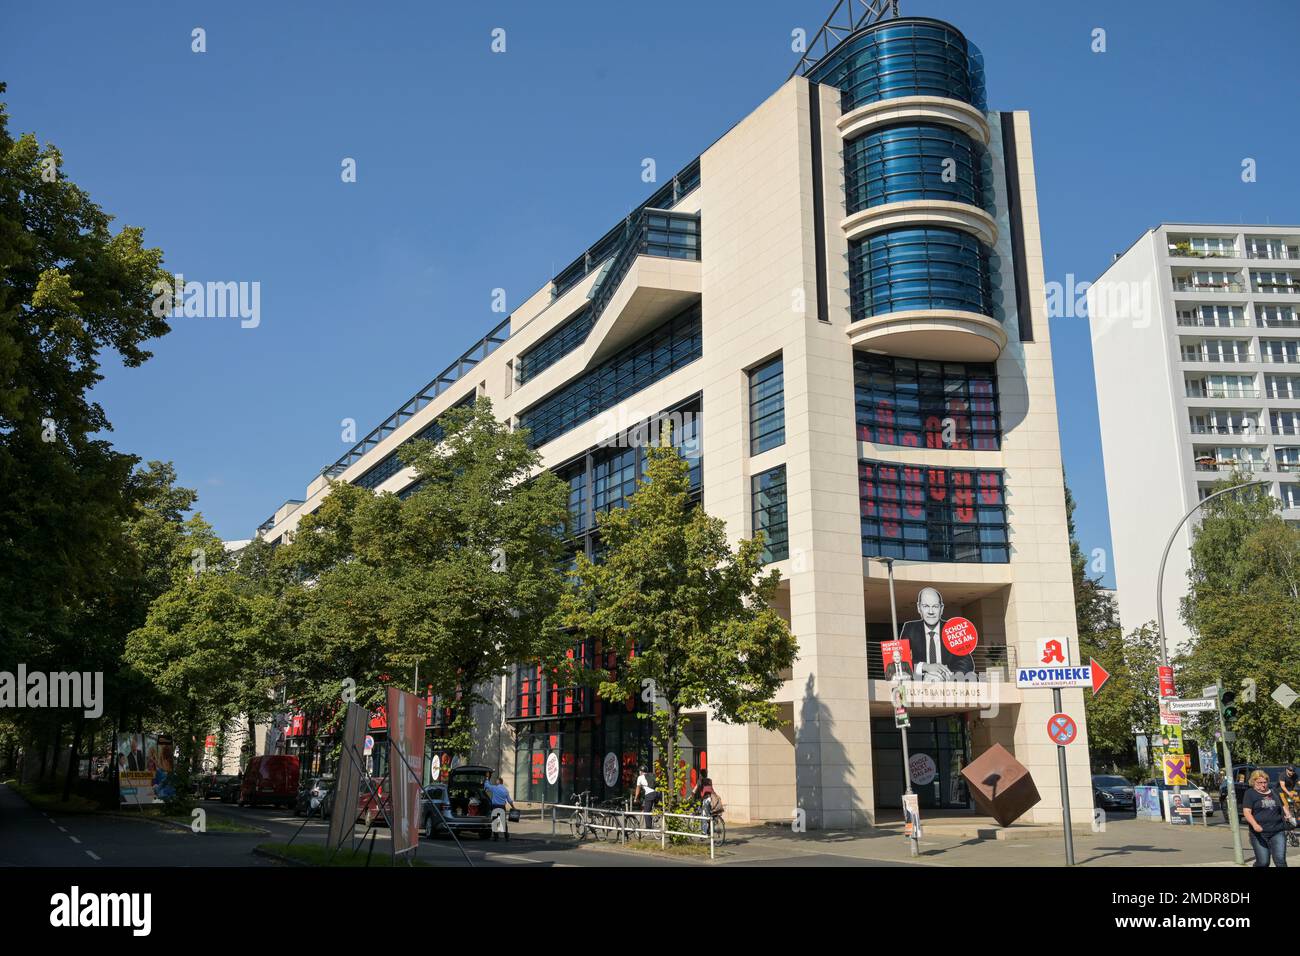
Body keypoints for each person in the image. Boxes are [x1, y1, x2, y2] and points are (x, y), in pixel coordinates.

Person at [899, 587, 973, 676]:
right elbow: (900, 661)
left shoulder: (953, 629)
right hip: (920, 684)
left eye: (935, 606)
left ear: (941, 608)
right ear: (919, 608)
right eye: (926, 606)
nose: (931, 611)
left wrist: (947, 676)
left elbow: (966, 664)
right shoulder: (910, 629)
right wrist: (925, 667)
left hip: (947, 685)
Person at [1243, 769, 1295, 867]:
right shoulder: (1250, 793)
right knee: (1263, 862)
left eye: (1265, 782)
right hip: (1259, 834)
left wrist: (1288, 814)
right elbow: (1247, 812)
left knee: (1280, 861)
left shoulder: (1274, 792)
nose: (1263, 785)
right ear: (1253, 782)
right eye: (1260, 782)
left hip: (1277, 831)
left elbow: (1283, 806)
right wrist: (1255, 825)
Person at [488, 776, 516, 841]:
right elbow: (509, 800)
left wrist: (487, 778)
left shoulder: (494, 788)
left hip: (495, 807)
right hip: (502, 807)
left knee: (495, 822)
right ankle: (506, 836)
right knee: (503, 822)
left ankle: (496, 837)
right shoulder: (506, 790)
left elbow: (487, 786)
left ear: (499, 781)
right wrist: (513, 807)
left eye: (497, 781)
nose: (496, 781)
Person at [634, 765, 660, 830]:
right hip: (658, 793)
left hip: (649, 794)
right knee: (655, 806)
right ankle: (658, 815)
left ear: (641, 771)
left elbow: (638, 789)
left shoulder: (640, 777)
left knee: (646, 811)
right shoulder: (652, 775)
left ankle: (649, 827)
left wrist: (636, 798)